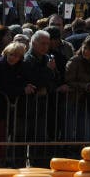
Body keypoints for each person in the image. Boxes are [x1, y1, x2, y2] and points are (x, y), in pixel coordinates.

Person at [21, 30, 57, 166]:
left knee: (40, 139)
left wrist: (47, 87)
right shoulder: (27, 59)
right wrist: (47, 71)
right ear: (33, 43)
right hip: (27, 107)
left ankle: (39, 167)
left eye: (47, 44)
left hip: (43, 107)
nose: (45, 47)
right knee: (24, 139)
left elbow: (55, 80)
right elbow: (33, 80)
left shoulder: (48, 59)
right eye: (42, 43)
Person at [64, 36, 90, 141]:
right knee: (75, 129)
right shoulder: (75, 61)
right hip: (74, 99)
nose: (86, 51)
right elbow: (68, 81)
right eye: (85, 48)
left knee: (89, 129)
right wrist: (86, 86)